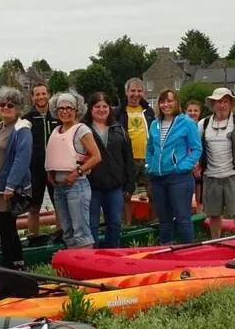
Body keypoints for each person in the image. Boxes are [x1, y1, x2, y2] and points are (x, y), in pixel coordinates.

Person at [0, 87, 32, 269]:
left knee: (7, 226)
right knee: (4, 227)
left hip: (8, 187)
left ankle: (14, 265)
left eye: (10, 105)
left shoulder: (21, 130)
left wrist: (11, 185)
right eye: (2, 104)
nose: (5, 107)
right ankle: (13, 264)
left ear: (18, 108)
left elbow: (22, 159)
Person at [46, 91, 101, 249]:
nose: (65, 111)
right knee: (67, 231)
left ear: (76, 110)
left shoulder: (82, 130)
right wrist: (50, 172)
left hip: (77, 185)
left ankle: (86, 259)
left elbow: (96, 156)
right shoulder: (56, 131)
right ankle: (72, 259)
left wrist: (78, 172)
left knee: (81, 231)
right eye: (61, 108)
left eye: (69, 108)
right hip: (59, 187)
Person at [145, 89, 201, 244]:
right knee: (164, 219)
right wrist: (149, 165)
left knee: (183, 217)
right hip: (158, 178)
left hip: (179, 178)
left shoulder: (187, 123)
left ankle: (187, 250)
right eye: (162, 102)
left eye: (169, 101)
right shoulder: (155, 124)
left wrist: (183, 166)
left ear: (176, 102)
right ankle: (166, 248)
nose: (166, 105)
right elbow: (150, 148)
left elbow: (196, 149)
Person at [197, 87, 235, 237]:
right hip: (210, 175)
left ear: (231, 104)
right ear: (212, 104)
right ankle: (215, 241)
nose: (222, 105)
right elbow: (196, 147)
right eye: (218, 102)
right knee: (213, 214)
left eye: (225, 101)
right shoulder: (203, 124)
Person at [83, 91, 135, 248]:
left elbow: (128, 158)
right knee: (91, 224)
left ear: (109, 108)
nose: (101, 110)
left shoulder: (119, 129)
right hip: (91, 186)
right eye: (97, 106)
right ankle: (92, 254)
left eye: (105, 106)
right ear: (90, 109)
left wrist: (130, 184)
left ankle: (112, 252)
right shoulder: (83, 129)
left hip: (115, 185)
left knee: (115, 223)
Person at [117, 77, 156, 226]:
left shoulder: (149, 111)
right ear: (126, 92)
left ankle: (154, 223)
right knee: (126, 195)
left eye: (139, 91)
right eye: (132, 91)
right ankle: (127, 225)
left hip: (147, 158)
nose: (136, 94)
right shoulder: (118, 112)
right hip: (128, 160)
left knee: (153, 193)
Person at [22, 83, 59, 235]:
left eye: (43, 93)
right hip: (34, 170)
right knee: (33, 207)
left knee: (59, 205)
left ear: (48, 95)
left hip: (55, 168)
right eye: (37, 94)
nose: (41, 97)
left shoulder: (57, 116)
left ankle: (61, 235)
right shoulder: (26, 119)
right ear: (32, 97)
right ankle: (33, 237)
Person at [186, 100, 205, 211]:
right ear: (185, 112)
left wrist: (199, 164)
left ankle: (200, 216)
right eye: (190, 110)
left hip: (201, 164)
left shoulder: (203, 126)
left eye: (195, 110)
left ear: (200, 112)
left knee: (200, 197)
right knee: (187, 196)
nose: (192, 113)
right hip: (188, 164)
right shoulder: (183, 126)